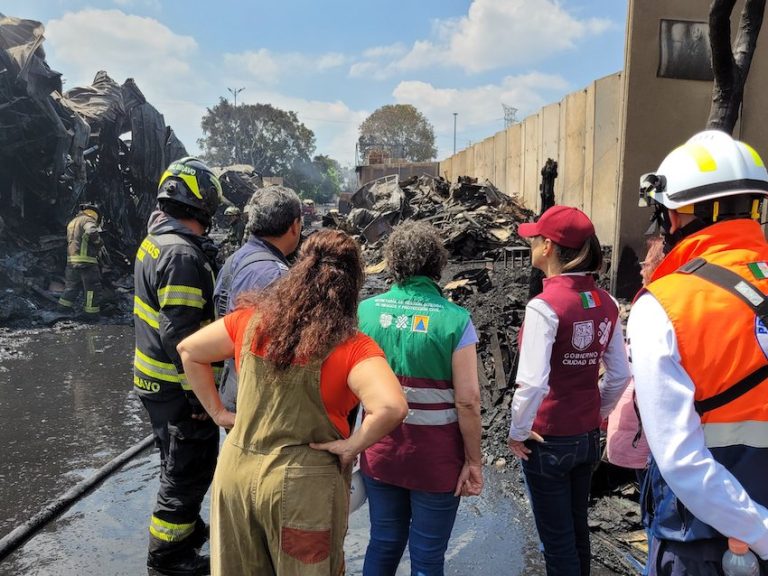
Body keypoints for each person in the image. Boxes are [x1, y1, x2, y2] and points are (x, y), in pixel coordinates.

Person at [177, 229, 408, 576]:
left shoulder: (250, 322)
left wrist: (220, 414)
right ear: (352, 283)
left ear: (300, 269)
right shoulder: (351, 346)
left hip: (236, 477)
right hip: (302, 489)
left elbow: (189, 350)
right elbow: (391, 407)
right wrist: (351, 446)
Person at [628, 130, 768, 574]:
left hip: (707, 547)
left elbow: (681, 461)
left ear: (678, 216)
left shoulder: (665, 305)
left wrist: (762, 531)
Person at [507, 205, 631, 576]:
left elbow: (531, 382)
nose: (530, 244)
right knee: (578, 531)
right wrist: (598, 414)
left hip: (546, 438)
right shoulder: (606, 303)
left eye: (534, 238)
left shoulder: (544, 307)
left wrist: (516, 432)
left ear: (548, 246)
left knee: (556, 542)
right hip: (586, 436)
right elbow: (619, 375)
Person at [357, 221, 484, 576]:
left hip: (380, 453)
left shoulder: (366, 313)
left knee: (383, 541)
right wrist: (474, 461)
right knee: (427, 556)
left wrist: (349, 445)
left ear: (393, 263)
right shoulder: (456, 321)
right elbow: (468, 401)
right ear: (437, 265)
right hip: (436, 461)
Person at [133, 157, 222, 576]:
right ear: (200, 200)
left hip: (153, 381)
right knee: (187, 470)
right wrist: (201, 396)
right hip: (177, 389)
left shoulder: (155, 241)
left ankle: (183, 532)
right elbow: (183, 338)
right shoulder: (183, 256)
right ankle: (168, 558)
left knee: (175, 462)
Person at [212, 185, 302, 412]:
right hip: (260, 400)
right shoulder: (277, 275)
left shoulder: (232, 262)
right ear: (294, 225)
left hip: (232, 387)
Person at [58, 202, 106, 316]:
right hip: (87, 262)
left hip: (72, 261)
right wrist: (99, 243)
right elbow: (91, 231)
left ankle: (62, 308)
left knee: (71, 287)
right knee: (92, 289)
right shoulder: (87, 220)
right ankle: (91, 313)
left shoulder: (72, 222)